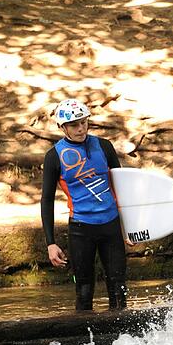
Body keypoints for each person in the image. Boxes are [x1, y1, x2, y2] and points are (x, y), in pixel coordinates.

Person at [41, 99, 128, 311]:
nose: (81, 129)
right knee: (84, 289)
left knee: (119, 288)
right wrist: (51, 243)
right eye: (74, 125)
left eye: (83, 122)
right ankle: (85, 344)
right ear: (62, 128)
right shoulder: (54, 157)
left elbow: (123, 188)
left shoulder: (104, 147)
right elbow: (47, 200)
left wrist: (130, 227)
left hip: (111, 226)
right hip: (81, 229)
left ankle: (123, 341)